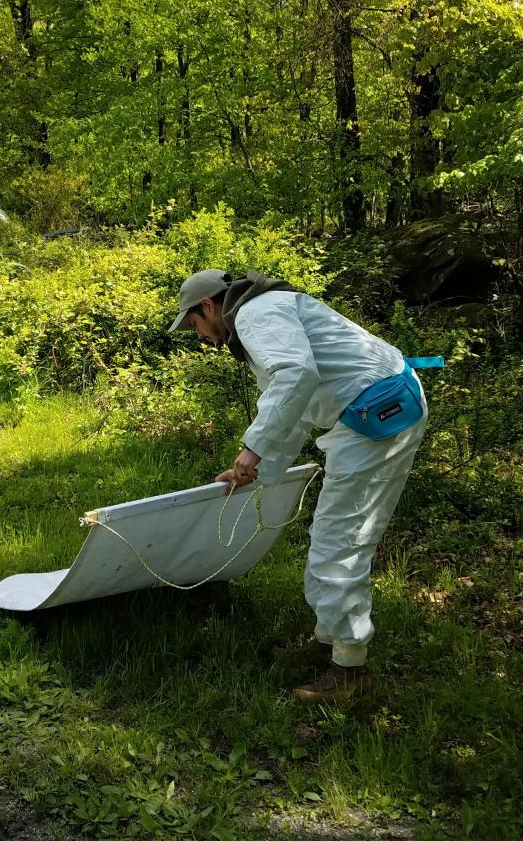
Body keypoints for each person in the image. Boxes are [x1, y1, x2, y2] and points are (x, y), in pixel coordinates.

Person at [168, 269, 428, 704]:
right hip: (366, 414)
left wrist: (250, 453)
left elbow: (295, 378)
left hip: (379, 416)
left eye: (194, 324)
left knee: (340, 541)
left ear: (209, 307)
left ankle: (350, 672)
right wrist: (253, 469)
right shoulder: (263, 316)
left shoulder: (255, 315)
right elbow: (293, 405)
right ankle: (329, 643)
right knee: (331, 535)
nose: (199, 336)